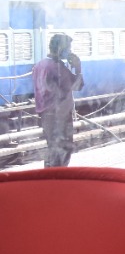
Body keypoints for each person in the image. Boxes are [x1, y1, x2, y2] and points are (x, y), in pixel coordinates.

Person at [32, 33, 83, 167]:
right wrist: (78, 67)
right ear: (61, 48)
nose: (70, 51)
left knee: (52, 150)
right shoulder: (58, 67)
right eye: (68, 48)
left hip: (45, 114)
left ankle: (48, 179)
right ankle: (58, 181)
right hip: (59, 115)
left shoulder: (39, 65)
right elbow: (78, 85)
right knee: (63, 150)